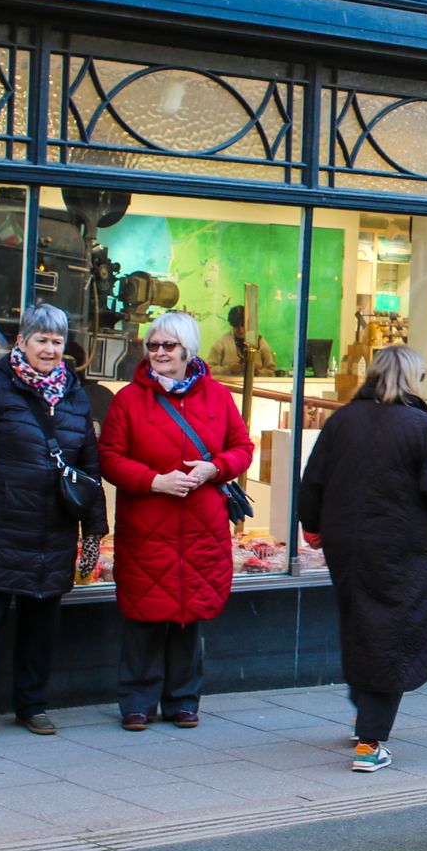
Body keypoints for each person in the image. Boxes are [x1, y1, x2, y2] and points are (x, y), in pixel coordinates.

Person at [0, 303, 109, 747]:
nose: (49, 350)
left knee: (40, 632)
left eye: (56, 342)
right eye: (41, 340)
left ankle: (32, 705)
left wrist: (93, 533)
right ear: (22, 342)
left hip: (51, 535)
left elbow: (88, 468)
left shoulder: (74, 395)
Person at [297, 345, 427, 772]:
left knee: (359, 620)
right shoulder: (425, 427)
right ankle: (371, 741)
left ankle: (363, 714)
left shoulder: (342, 421)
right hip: (397, 545)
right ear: (413, 379)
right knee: (391, 631)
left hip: (345, 541)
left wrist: (313, 526)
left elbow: (313, 479)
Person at [98, 311, 254, 731]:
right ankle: (136, 701)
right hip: (148, 523)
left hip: (201, 526)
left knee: (189, 613)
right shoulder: (129, 400)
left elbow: (242, 446)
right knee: (143, 613)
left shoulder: (218, 397)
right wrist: (153, 481)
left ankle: (183, 700)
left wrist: (214, 469)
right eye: (153, 346)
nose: (160, 353)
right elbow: (109, 459)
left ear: (188, 350)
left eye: (168, 346)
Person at [206, 305, 278, 378]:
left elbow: (271, 371)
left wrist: (257, 372)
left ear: (248, 323)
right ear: (231, 325)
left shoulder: (260, 342)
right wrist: (228, 369)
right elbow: (208, 371)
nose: (241, 330)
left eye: (243, 325)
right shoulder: (221, 343)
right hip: (229, 388)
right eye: (236, 326)